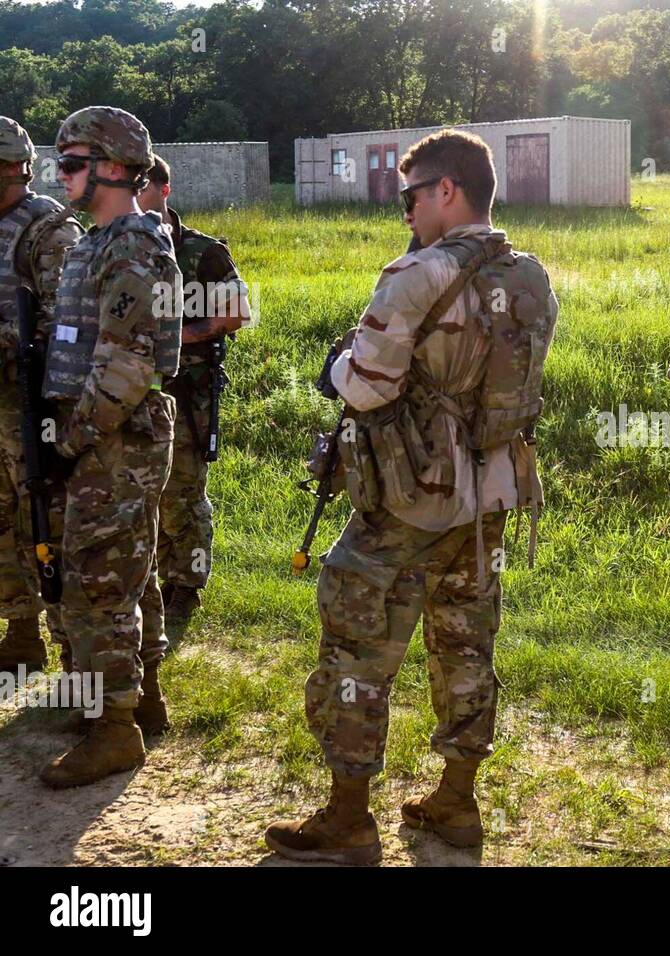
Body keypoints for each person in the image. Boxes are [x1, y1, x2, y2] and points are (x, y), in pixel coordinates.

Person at [265, 129, 558, 865]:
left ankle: (348, 818)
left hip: (411, 496)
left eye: (412, 195)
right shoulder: (530, 277)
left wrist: (334, 365)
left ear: (447, 192)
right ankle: (456, 803)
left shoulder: (417, 275)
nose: (405, 212)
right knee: (465, 642)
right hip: (492, 491)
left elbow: (366, 385)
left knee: (357, 644)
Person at [39, 106, 181, 789]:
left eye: (72, 163)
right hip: (105, 435)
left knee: (97, 585)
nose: (59, 174)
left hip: (112, 437)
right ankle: (140, 698)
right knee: (128, 571)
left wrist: (73, 437)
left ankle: (114, 728)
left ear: (115, 168)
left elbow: (128, 362)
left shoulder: (131, 245)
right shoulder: (97, 241)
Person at [136, 155, 248, 660]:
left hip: (190, 389)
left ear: (164, 189)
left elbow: (238, 312)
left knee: (184, 490)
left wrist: (184, 336)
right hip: (138, 389)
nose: (140, 198)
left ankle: (188, 583)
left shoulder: (202, 251)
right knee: (146, 492)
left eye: (147, 188)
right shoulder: (126, 249)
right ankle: (154, 578)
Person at [0, 116, 81, 675]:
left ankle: (76, 650)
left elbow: (66, 320)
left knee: (46, 522)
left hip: (33, 407)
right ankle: (20, 632)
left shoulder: (49, 229)